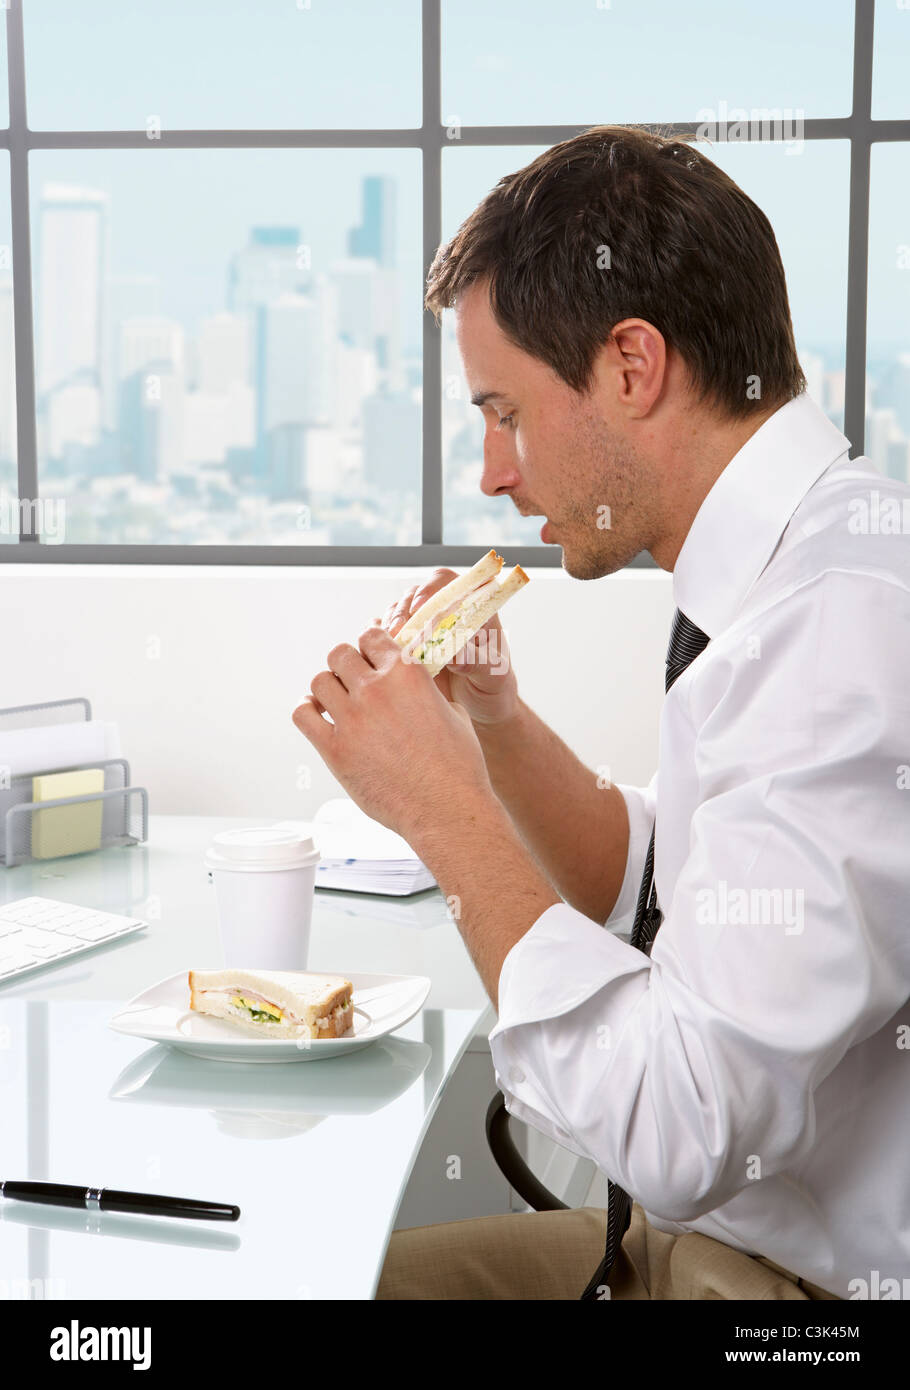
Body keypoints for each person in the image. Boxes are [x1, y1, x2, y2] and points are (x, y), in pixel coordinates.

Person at [292, 125, 910, 1300]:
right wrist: (496, 726)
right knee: (320, 1275)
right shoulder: (792, 569)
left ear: (631, 367)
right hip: (731, 1238)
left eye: (505, 412)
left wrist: (436, 806)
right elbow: (678, 889)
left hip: (791, 1288)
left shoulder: (837, 633)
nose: (491, 472)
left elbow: (677, 1126)